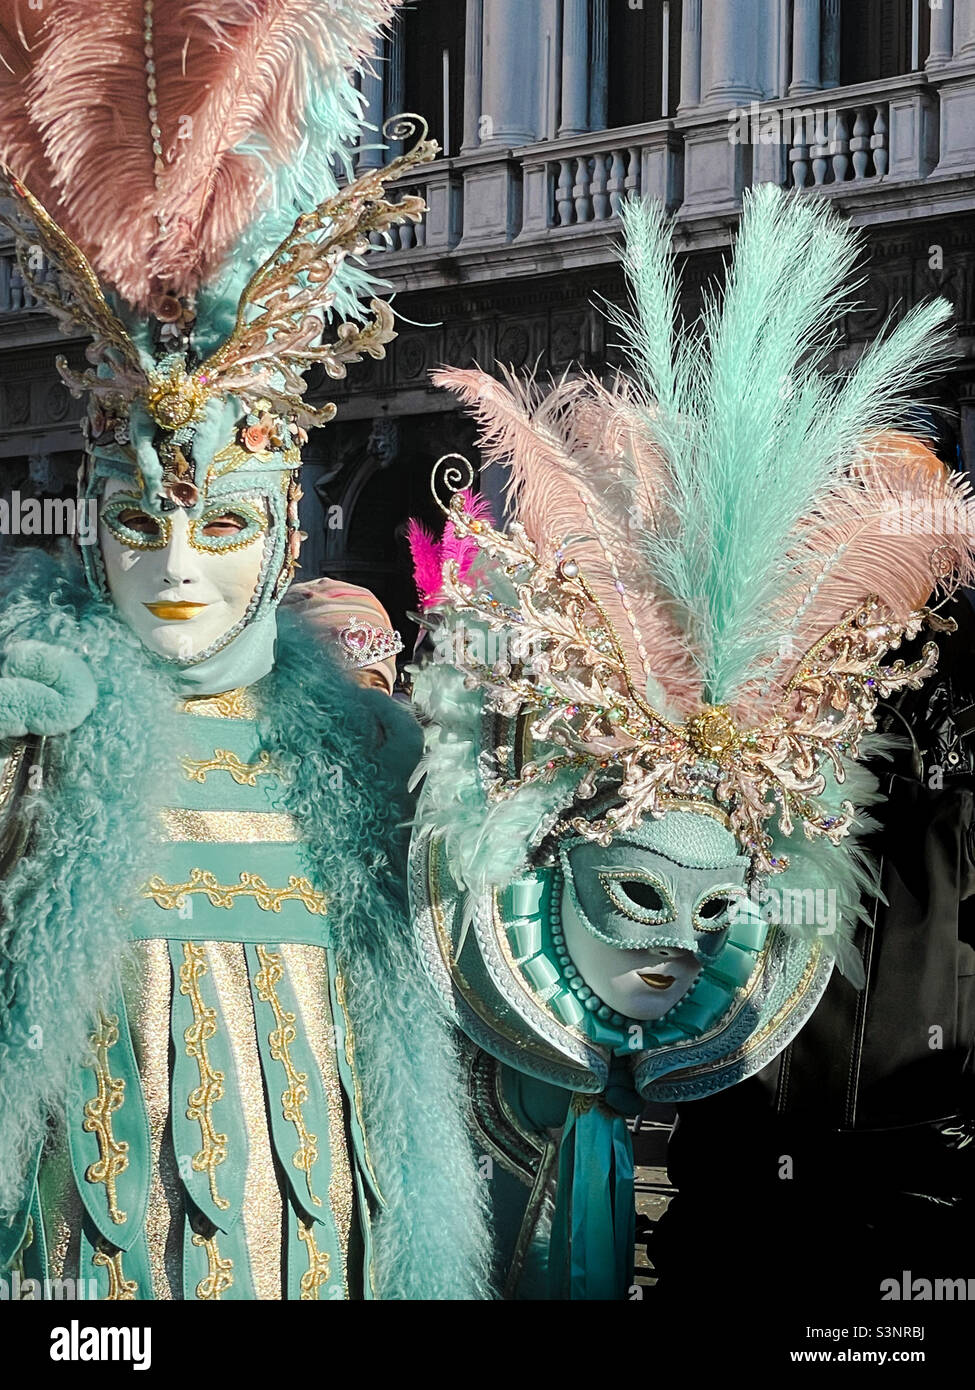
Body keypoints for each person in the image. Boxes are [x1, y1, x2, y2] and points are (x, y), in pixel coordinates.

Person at [0, 0, 491, 1301]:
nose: (174, 564)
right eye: (136, 517)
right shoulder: (28, 734)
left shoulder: (375, 759)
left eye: (217, 520)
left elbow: (533, 1000)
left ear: (279, 535)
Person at [405, 188, 975, 1298]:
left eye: (902, 516)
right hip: (739, 1167)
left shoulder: (950, 716)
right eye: (846, 507)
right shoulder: (753, 709)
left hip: (915, 1176)